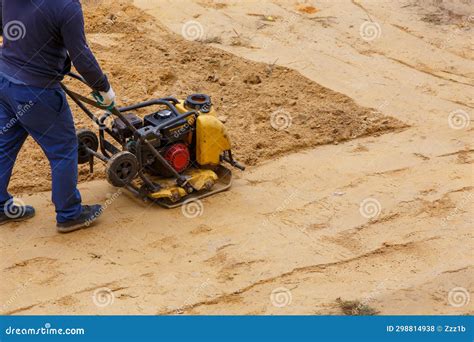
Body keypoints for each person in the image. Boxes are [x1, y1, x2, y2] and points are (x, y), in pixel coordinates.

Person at [0, 0, 116, 233]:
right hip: (37, 91)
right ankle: (70, 214)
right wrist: (103, 88)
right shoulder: (67, 6)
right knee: (64, 149)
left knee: (4, 145)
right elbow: (81, 56)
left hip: (4, 79)